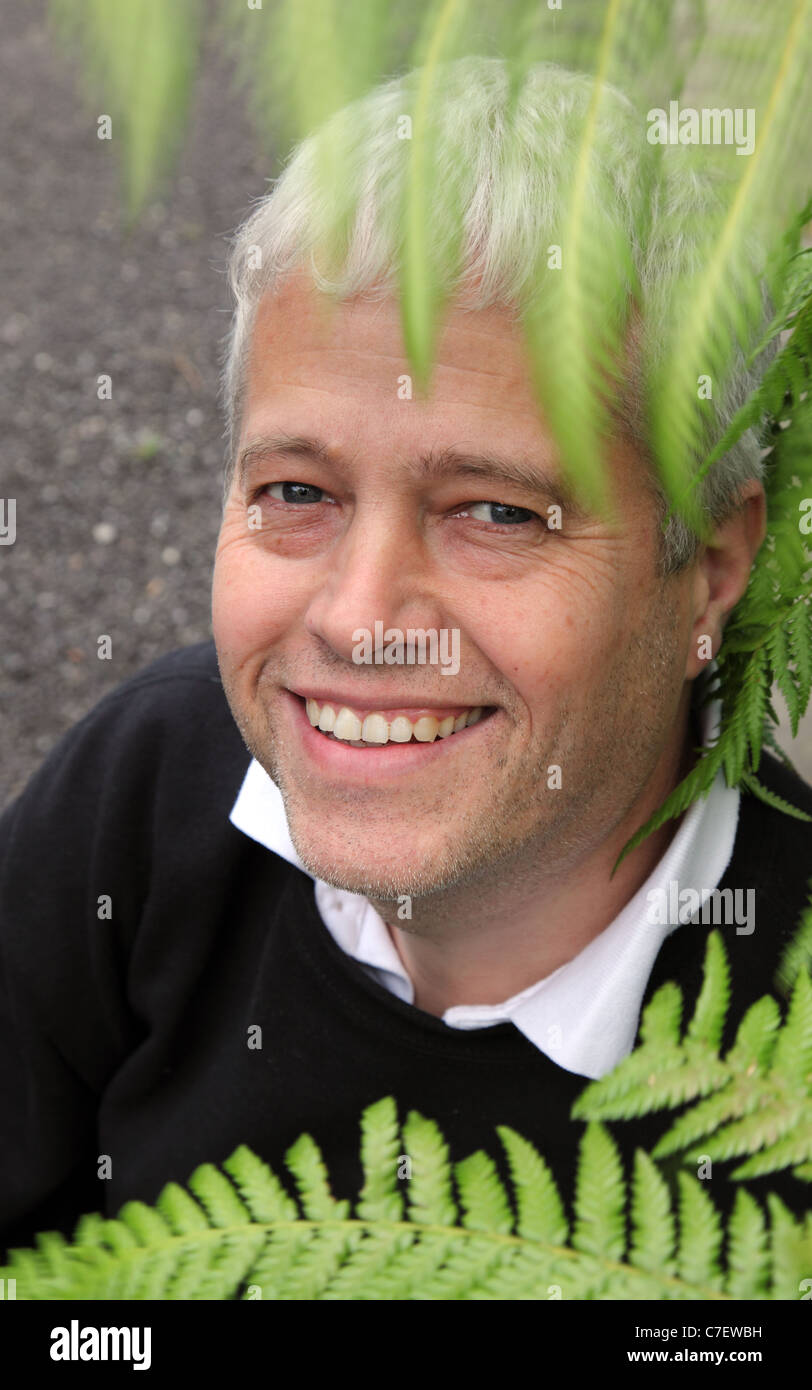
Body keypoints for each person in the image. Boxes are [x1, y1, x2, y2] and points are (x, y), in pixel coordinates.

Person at [1, 57, 810, 1263]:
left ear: (707, 565)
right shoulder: (147, 791)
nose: (359, 616)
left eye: (493, 512)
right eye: (295, 490)